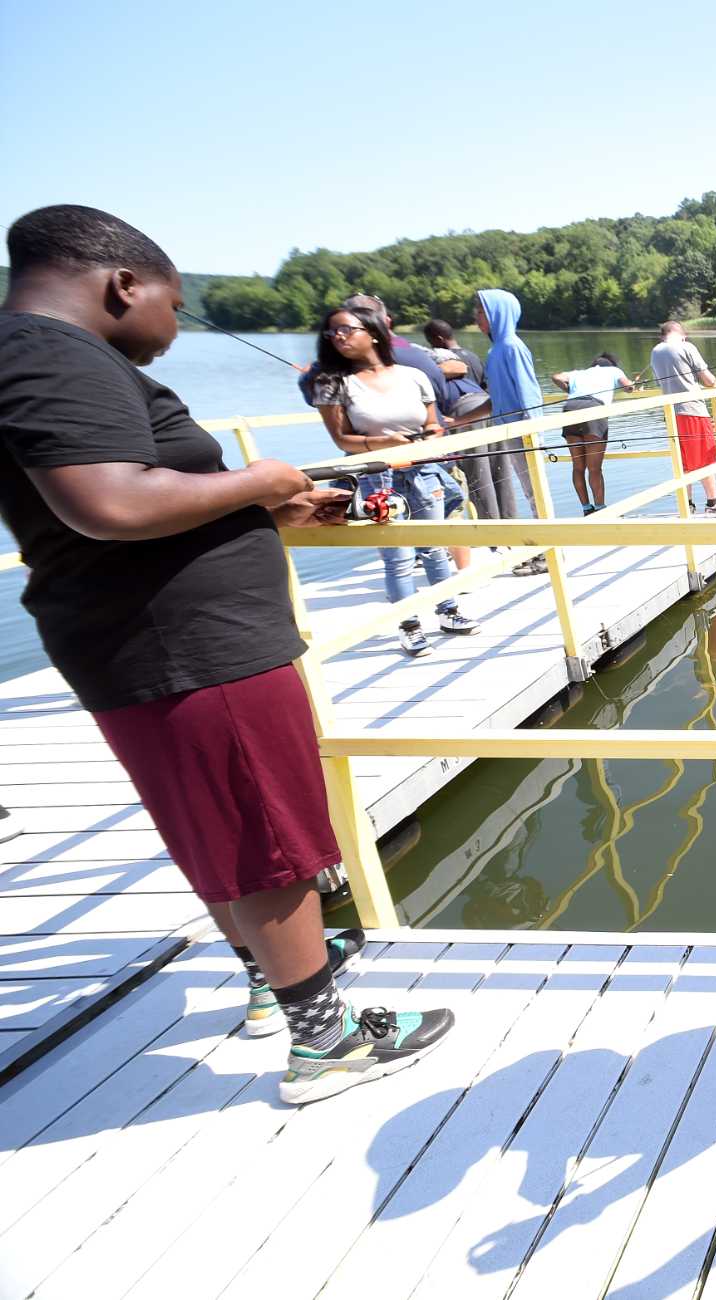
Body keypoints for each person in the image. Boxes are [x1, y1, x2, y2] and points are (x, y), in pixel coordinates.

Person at [0, 204, 453, 1103]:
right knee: (266, 836)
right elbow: (112, 503)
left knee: (220, 825)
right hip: (192, 647)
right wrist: (263, 477)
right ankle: (325, 1041)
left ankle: (270, 978)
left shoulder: (36, 353)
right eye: (172, 306)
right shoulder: (52, 354)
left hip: (150, 642)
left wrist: (259, 510)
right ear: (122, 284)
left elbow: (127, 499)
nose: (172, 329)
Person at [310, 305, 481, 656]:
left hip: (423, 470)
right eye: (332, 332)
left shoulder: (412, 376)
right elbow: (342, 439)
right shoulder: (332, 383)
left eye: (346, 329)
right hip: (377, 479)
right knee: (398, 556)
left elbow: (433, 423)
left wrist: (432, 435)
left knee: (434, 546)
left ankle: (449, 611)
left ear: (372, 332)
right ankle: (410, 626)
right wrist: (382, 443)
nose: (338, 337)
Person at [475, 289, 547, 573]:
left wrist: (534, 433)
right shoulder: (495, 351)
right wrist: (454, 421)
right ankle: (543, 548)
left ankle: (549, 553)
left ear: (498, 313)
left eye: (481, 311)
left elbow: (529, 394)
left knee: (536, 494)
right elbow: (495, 400)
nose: (477, 317)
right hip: (508, 432)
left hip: (523, 433)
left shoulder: (512, 348)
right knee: (531, 494)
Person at [650, 321, 716, 514]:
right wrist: (714, 382)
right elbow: (708, 381)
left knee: (683, 460)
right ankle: (713, 503)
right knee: (705, 456)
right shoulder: (687, 347)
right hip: (693, 410)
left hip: (671, 413)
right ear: (682, 335)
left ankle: (688, 505)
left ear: (662, 336)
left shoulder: (655, 351)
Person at [548, 351, 632, 514]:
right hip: (593, 409)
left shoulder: (579, 373)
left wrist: (569, 390)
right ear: (611, 364)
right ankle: (600, 509)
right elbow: (628, 386)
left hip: (570, 408)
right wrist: (632, 386)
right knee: (594, 468)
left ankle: (586, 509)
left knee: (578, 466)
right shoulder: (614, 370)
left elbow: (556, 377)